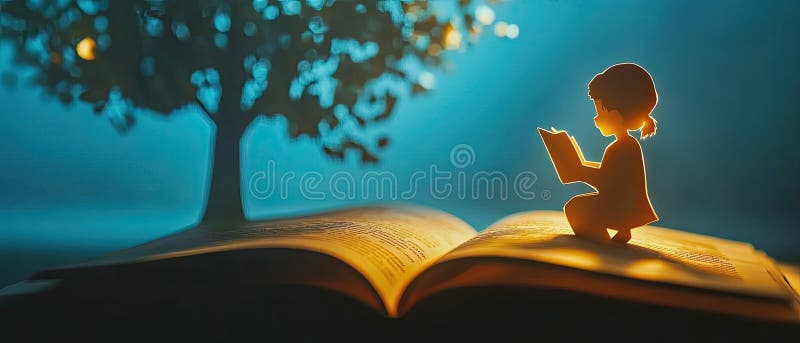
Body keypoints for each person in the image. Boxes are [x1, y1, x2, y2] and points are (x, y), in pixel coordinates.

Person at [561, 63, 659, 243]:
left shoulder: (623, 147)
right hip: (622, 205)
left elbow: (606, 181)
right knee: (578, 207)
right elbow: (609, 175)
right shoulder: (625, 146)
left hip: (623, 208)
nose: (595, 119)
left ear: (616, 114)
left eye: (600, 112)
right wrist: (581, 168)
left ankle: (603, 242)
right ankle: (621, 233)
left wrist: (579, 171)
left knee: (575, 208)